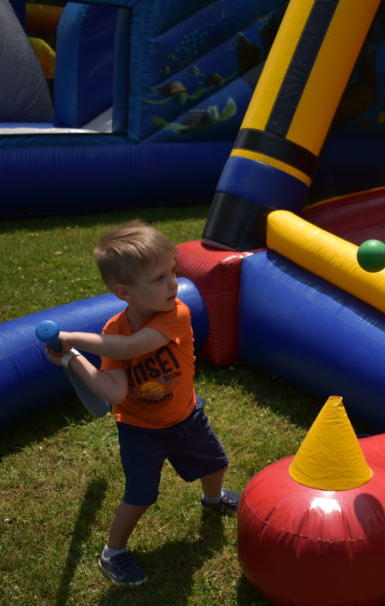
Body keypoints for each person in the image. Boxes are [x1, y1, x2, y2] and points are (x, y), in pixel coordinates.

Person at [44, 220, 240, 586]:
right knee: (140, 497)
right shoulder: (112, 332)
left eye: (173, 272)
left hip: (185, 417)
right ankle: (113, 552)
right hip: (140, 430)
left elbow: (133, 348)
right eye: (158, 278)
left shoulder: (176, 313)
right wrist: (72, 358)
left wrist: (71, 337)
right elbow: (115, 392)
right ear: (125, 292)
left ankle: (213, 500)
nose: (173, 284)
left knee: (216, 464)